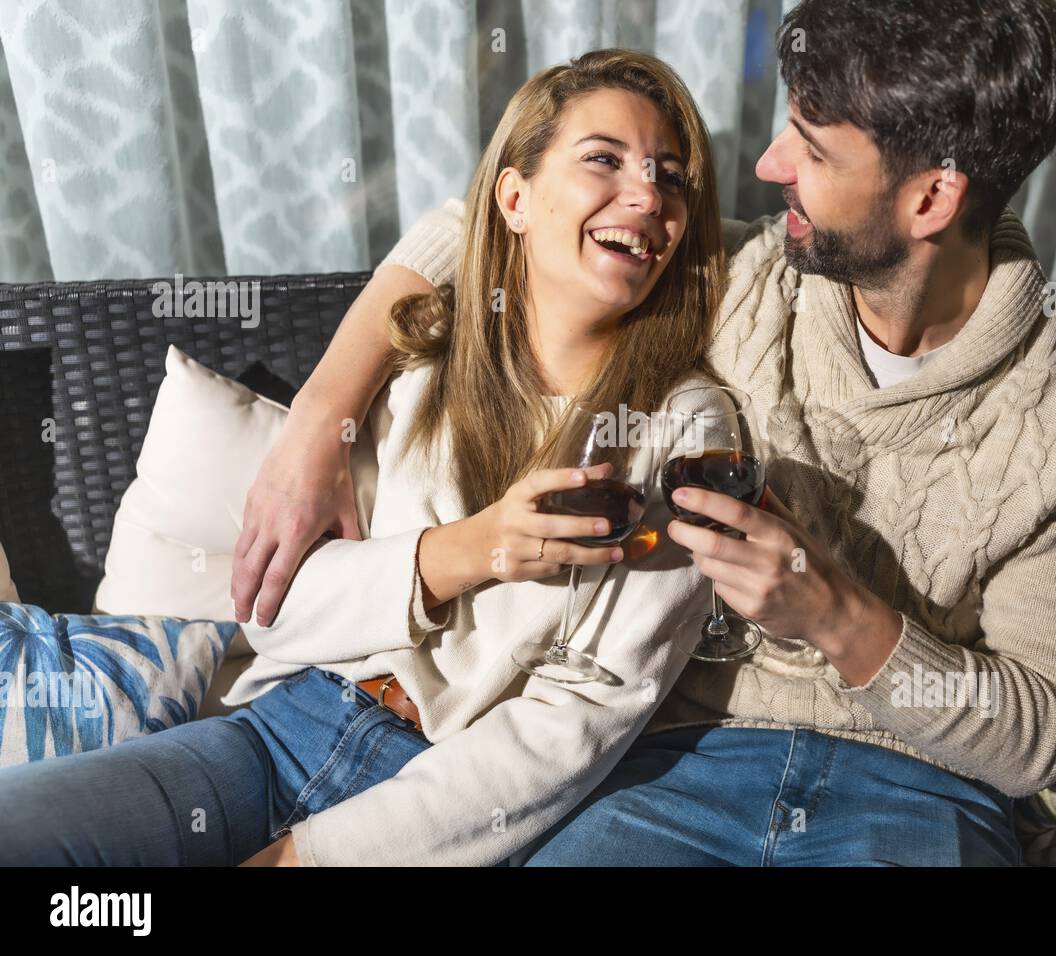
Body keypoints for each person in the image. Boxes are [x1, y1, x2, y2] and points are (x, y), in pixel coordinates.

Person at [237, 0, 1056, 866]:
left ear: (932, 198)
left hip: (920, 797)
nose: (770, 163)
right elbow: (484, 221)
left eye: (815, 150)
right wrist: (323, 414)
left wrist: (838, 617)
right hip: (671, 768)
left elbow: (1045, 736)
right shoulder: (749, 274)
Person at [0, 49, 731, 867]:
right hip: (280, 729)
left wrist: (307, 860)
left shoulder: (684, 436)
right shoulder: (418, 363)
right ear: (515, 197)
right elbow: (277, 614)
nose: (647, 195)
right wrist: (462, 552)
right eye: (605, 159)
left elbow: (572, 729)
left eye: (671, 178)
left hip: (446, 800)